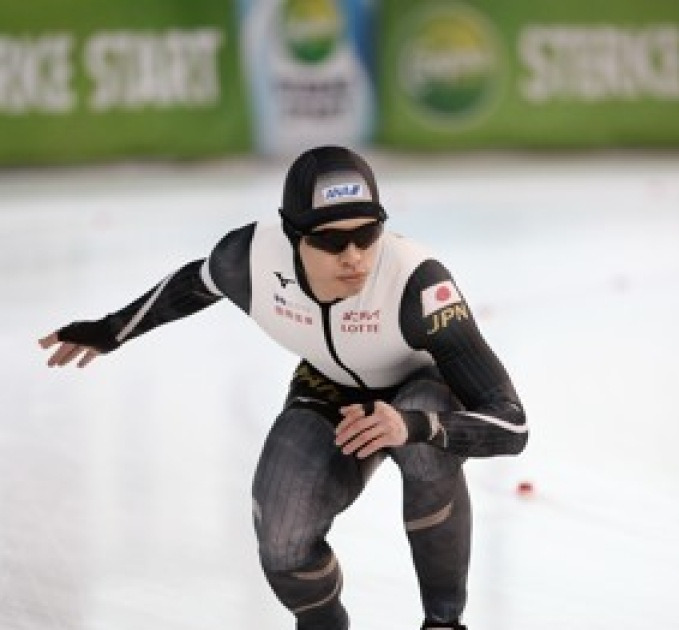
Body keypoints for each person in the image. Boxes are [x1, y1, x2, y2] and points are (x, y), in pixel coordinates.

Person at [39, 145, 528, 630]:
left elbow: (512, 422)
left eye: (367, 234)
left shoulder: (417, 284)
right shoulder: (250, 258)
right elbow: (191, 284)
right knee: (282, 541)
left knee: (426, 444)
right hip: (330, 389)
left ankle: (443, 623)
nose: (355, 256)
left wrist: (412, 426)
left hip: (422, 394)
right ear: (293, 238)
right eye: (332, 242)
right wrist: (110, 331)